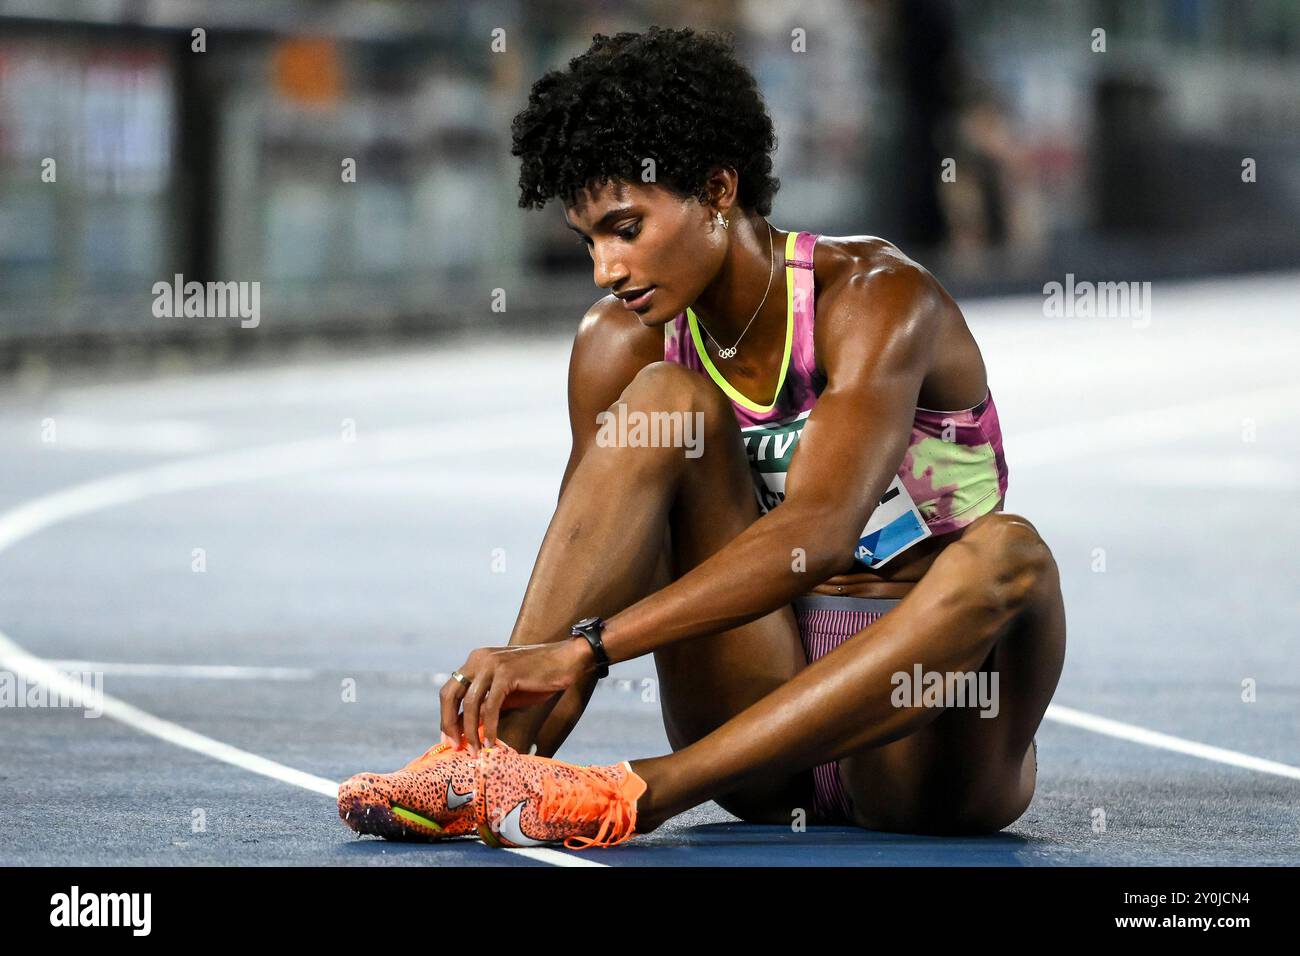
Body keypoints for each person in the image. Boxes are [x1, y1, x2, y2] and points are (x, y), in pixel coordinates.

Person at [339, 26, 1065, 851]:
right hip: (754, 717)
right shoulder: (622, 343)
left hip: (918, 742)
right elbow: (597, 569)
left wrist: (592, 649)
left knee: (1013, 554)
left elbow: (820, 532)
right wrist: (542, 666)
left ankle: (640, 793)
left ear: (718, 190)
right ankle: (483, 765)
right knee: (665, 400)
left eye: (625, 228)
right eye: (590, 241)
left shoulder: (875, 300)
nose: (605, 269)